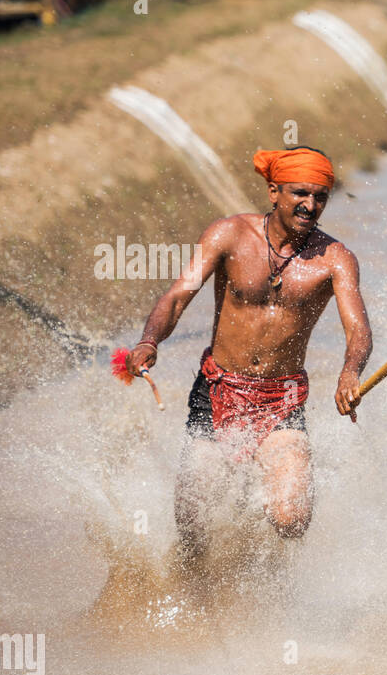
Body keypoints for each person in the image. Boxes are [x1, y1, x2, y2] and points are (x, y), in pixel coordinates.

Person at [125, 146, 372, 560]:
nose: (310, 206)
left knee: (291, 520)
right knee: (193, 526)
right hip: (218, 391)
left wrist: (350, 371)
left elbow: (359, 329)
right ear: (274, 192)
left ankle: (259, 535)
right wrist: (150, 340)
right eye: (300, 194)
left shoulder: (336, 259)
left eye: (320, 197)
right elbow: (177, 298)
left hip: (282, 399)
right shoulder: (229, 234)